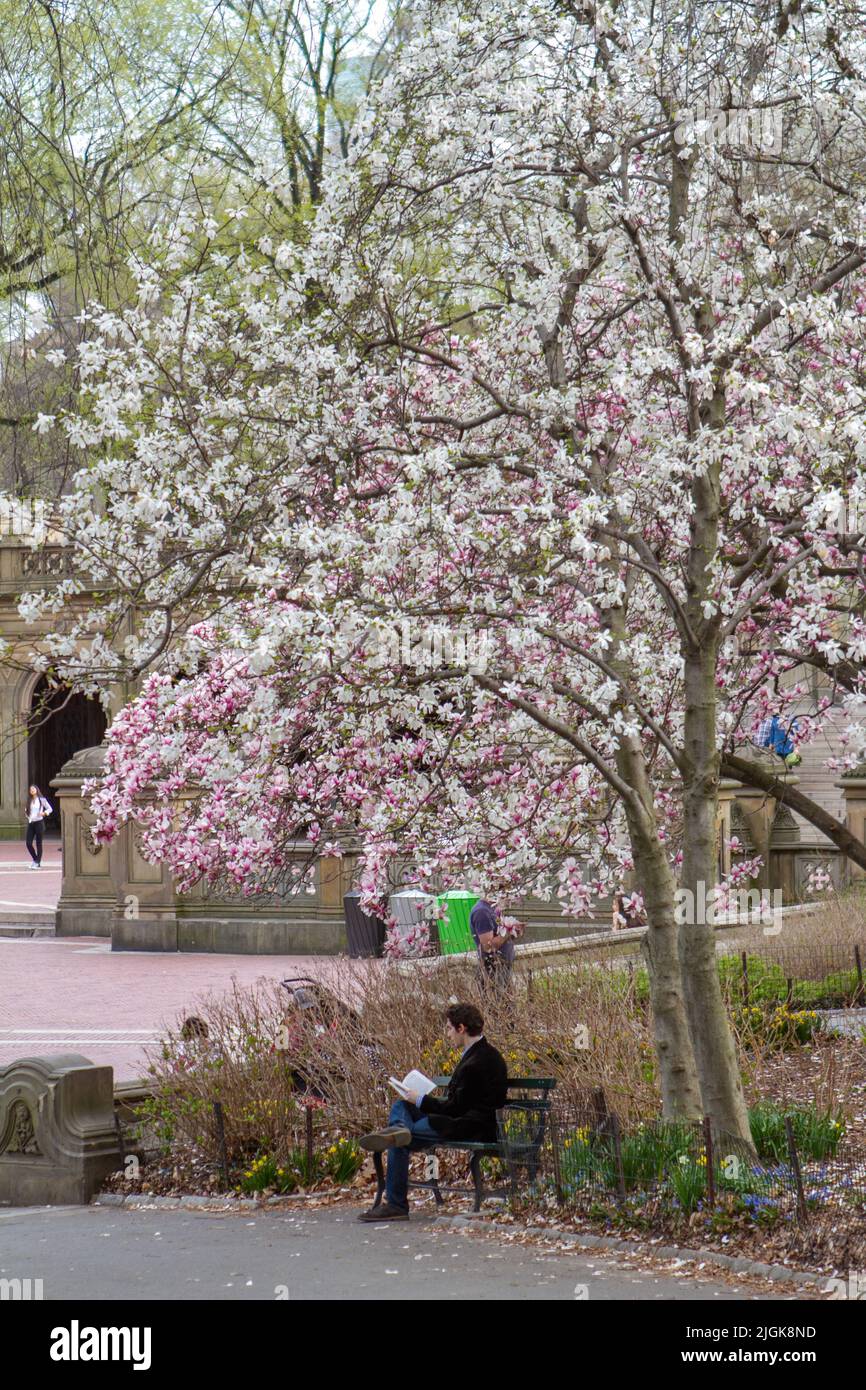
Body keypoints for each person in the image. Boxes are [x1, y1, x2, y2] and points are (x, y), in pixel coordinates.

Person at [356, 1002, 508, 1222]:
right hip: (458, 1119)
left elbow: (456, 1108)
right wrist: (416, 1101)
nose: (447, 1034)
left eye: (448, 1028)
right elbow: (458, 1104)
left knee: (399, 1141)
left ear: (461, 1028)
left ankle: (396, 1204)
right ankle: (400, 1128)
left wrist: (420, 1099)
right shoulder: (479, 1054)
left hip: (468, 1127)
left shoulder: (478, 1062)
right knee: (402, 1106)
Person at [469, 896, 516, 987]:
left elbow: (499, 934)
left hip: (503, 966)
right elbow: (488, 946)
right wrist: (509, 931)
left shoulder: (493, 908)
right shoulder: (482, 912)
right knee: (498, 999)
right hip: (493, 967)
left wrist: (514, 932)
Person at [24, 784, 52, 869]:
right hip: (31, 823)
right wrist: (27, 814)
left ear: (37, 789)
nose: (32, 790)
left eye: (33, 789)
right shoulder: (29, 800)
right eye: (30, 789)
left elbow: (50, 808)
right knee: (28, 843)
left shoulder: (41, 800)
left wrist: (44, 813)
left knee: (38, 843)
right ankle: (35, 859)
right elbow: (26, 810)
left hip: (39, 823)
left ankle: (37, 862)